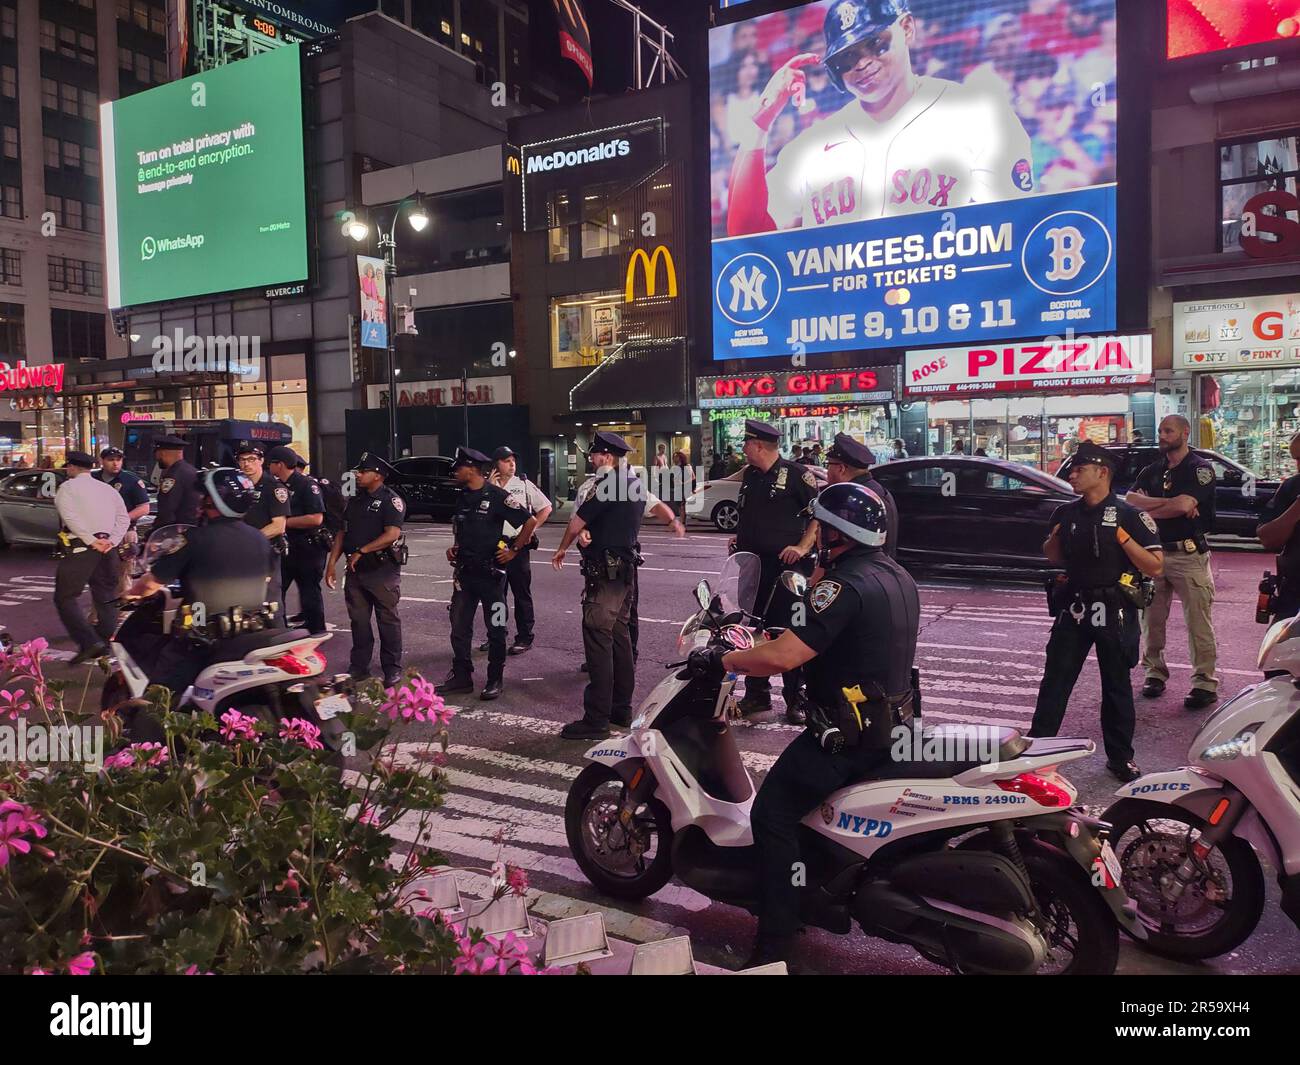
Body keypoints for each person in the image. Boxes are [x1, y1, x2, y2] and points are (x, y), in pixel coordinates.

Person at [702, 483, 919, 968]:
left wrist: (725, 662)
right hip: (894, 727)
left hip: (848, 740)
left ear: (840, 534)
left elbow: (783, 658)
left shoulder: (842, 586)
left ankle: (775, 941)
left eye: (821, 526)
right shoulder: (896, 574)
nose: (815, 534)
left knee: (772, 814)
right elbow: (843, 639)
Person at [726, 0, 1035, 237]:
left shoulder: (979, 114)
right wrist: (759, 125)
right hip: (844, 316)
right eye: (847, 57)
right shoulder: (809, 147)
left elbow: (1013, 234)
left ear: (907, 28)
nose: (862, 63)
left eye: (876, 44)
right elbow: (745, 240)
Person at [1028, 442, 1164, 782]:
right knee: (1055, 682)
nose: (1071, 474)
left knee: (1116, 686)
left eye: (1079, 469)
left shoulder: (1130, 515)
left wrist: (1122, 538)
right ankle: (1034, 752)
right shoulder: (1066, 513)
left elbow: (1156, 566)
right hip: (1074, 607)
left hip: (1114, 608)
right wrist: (1054, 540)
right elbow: (1054, 556)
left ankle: (1120, 758)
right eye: (1072, 469)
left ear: (1101, 472)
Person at [124, 468, 278, 701]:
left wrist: (130, 594)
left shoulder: (194, 540)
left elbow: (151, 584)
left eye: (204, 498)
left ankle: (147, 735)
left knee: (159, 698)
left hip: (202, 638)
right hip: (251, 634)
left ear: (214, 501)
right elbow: (267, 578)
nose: (199, 504)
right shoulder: (259, 538)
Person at [552, 432, 644, 738]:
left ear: (607, 457)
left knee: (597, 639)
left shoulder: (608, 486)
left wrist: (563, 546)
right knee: (620, 638)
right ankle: (621, 708)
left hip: (605, 575)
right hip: (625, 572)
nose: (592, 460)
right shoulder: (634, 484)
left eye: (595, 455)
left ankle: (597, 718)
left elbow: (576, 522)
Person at [1127, 415, 1219, 710]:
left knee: (1198, 622)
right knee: (1151, 620)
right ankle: (1154, 673)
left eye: (1169, 431)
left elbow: (1182, 504)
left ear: (1185, 433)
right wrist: (1170, 506)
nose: (1163, 435)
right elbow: (1130, 502)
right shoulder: (1151, 470)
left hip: (1188, 555)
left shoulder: (1200, 469)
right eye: (1160, 431)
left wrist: (1152, 505)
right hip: (1154, 554)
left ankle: (1204, 683)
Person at [729, 419, 818, 723]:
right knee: (755, 631)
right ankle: (757, 695)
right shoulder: (752, 476)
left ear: (758, 446)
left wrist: (804, 547)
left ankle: (797, 700)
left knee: (788, 632)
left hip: (786, 571)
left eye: (746, 444)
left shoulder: (797, 476)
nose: (743, 449)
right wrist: (740, 537)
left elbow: (818, 516)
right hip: (753, 568)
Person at [437, 447, 534, 699]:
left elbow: (529, 522)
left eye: (459, 467)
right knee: (459, 627)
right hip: (465, 575)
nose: (456, 471)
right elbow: (462, 529)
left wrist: (513, 550)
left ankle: (495, 679)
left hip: (491, 577)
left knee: (497, 629)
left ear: (471, 469)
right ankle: (461, 677)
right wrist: (455, 548)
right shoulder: (462, 497)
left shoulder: (498, 496)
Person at [574, 456, 685, 672]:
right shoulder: (588, 487)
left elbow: (656, 505)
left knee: (626, 612)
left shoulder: (631, 485)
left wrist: (672, 521)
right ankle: (599, 659)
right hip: (595, 559)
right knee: (596, 611)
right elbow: (576, 519)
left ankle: (627, 657)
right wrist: (581, 531)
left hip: (622, 559)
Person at [326, 453, 407, 686]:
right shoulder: (355, 499)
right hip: (356, 572)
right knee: (359, 621)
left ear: (378, 476)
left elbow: (392, 534)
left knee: (387, 620)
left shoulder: (391, 500)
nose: (358, 475)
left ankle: (392, 668)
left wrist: (362, 550)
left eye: (363, 471)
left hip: (381, 570)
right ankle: (359, 666)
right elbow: (342, 532)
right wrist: (332, 563)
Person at [54, 451, 130, 664]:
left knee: (65, 596)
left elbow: (69, 517)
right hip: (108, 548)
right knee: (106, 595)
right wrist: (112, 541)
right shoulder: (107, 489)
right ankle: (104, 643)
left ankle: (89, 642)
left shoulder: (67, 488)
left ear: (71, 467)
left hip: (82, 547)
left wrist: (90, 540)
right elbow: (123, 518)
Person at [483, 446, 553, 656]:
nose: (512, 464)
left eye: (513, 460)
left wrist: (531, 530)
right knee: (496, 595)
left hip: (517, 545)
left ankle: (524, 636)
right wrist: (490, 486)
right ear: (496, 465)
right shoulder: (487, 486)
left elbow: (546, 508)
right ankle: (497, 635)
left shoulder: (522, 484)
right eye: (506, 461)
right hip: (494, 546)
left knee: (521, 593)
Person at [268, 445, 327, 635]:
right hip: (288, 547)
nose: (269, 467)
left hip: (308, 548)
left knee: (309, 590)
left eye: (271, 463)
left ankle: (316, 628)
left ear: (280, 465)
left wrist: (284, 523)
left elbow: (316, 518)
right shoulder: (278, 486)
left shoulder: (306, 485)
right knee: (278, 589)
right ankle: (280, 628)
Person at [813, 433, 899, 558]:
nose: (827, 470)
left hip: (855, 571)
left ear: (841, 469)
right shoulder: (875, 490)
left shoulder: (853, 499)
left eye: (828, 465)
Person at [234, 442, 290, 614]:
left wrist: (250, 539)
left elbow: (278, 526)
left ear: (261, 460)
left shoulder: (274, 487)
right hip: (240, 553)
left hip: (264, 551)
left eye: (251, 459)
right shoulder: (237, 486)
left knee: (269, 601)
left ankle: (277, 634)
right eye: (242, 459)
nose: (246, 464)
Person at [1258, 432, 1300, 620]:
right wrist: (1297, 508)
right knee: (1281, 647)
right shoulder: (1291, 487)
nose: (1299, 466)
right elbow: (1267, 538)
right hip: (1294, 592)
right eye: (1297, 459)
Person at [153, 435, 201, 527]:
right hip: (195, 529)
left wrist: (152, 533)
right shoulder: (193, 471)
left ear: (161, 453)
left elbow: (167, 511)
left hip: (177, 532)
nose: (156, 458)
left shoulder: (172, 476)